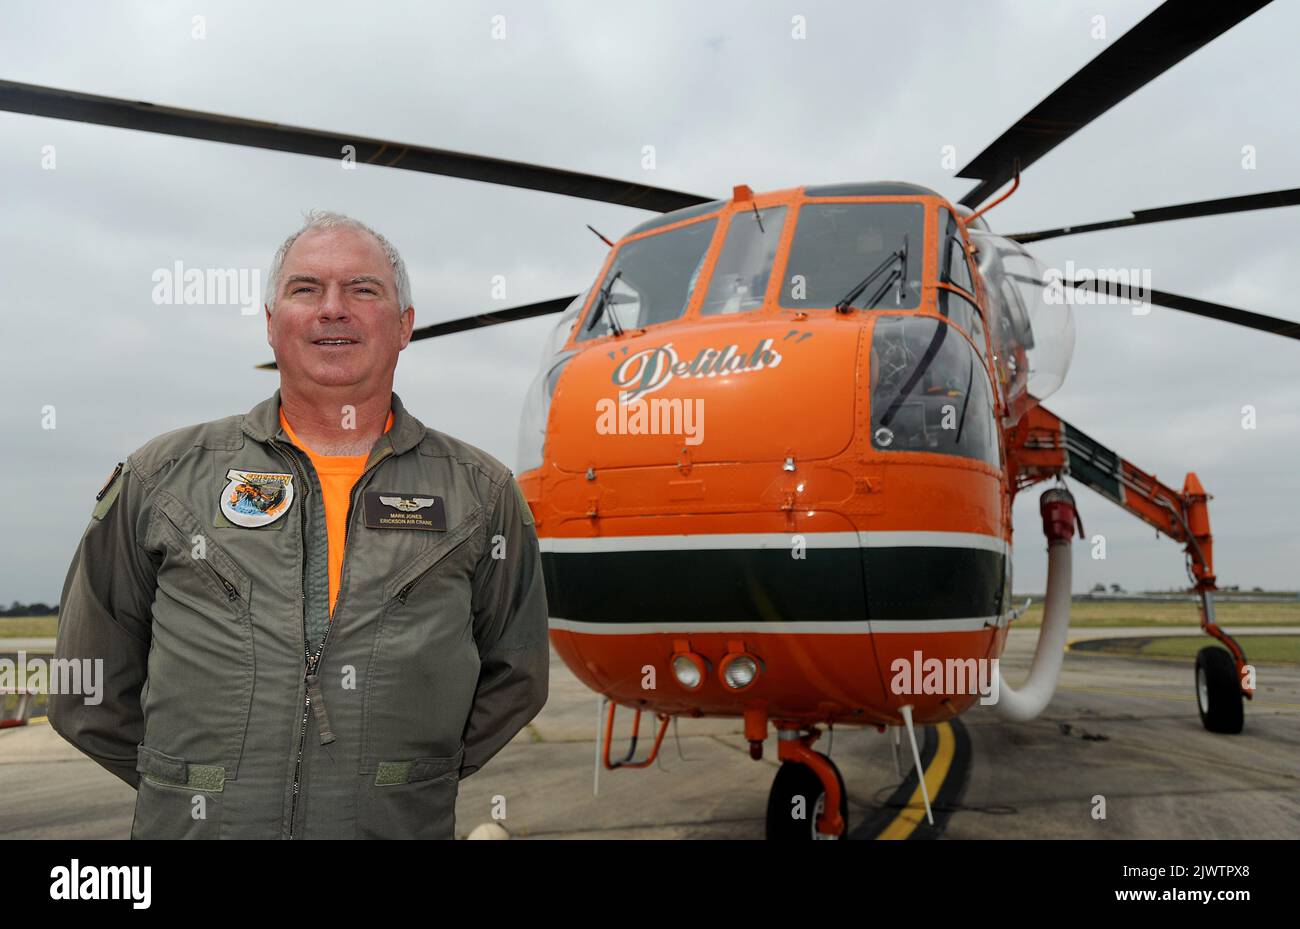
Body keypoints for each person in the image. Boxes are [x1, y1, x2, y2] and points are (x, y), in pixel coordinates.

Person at [49, 210, 550, 839]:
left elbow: (517, 677)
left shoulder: (482, 492)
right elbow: (86, 686)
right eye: (305, 289)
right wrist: (189, 782)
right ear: (270, 324)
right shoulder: (162, 477)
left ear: (404, 327)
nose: (332, 309)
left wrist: (403, 780)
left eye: (363, 289)